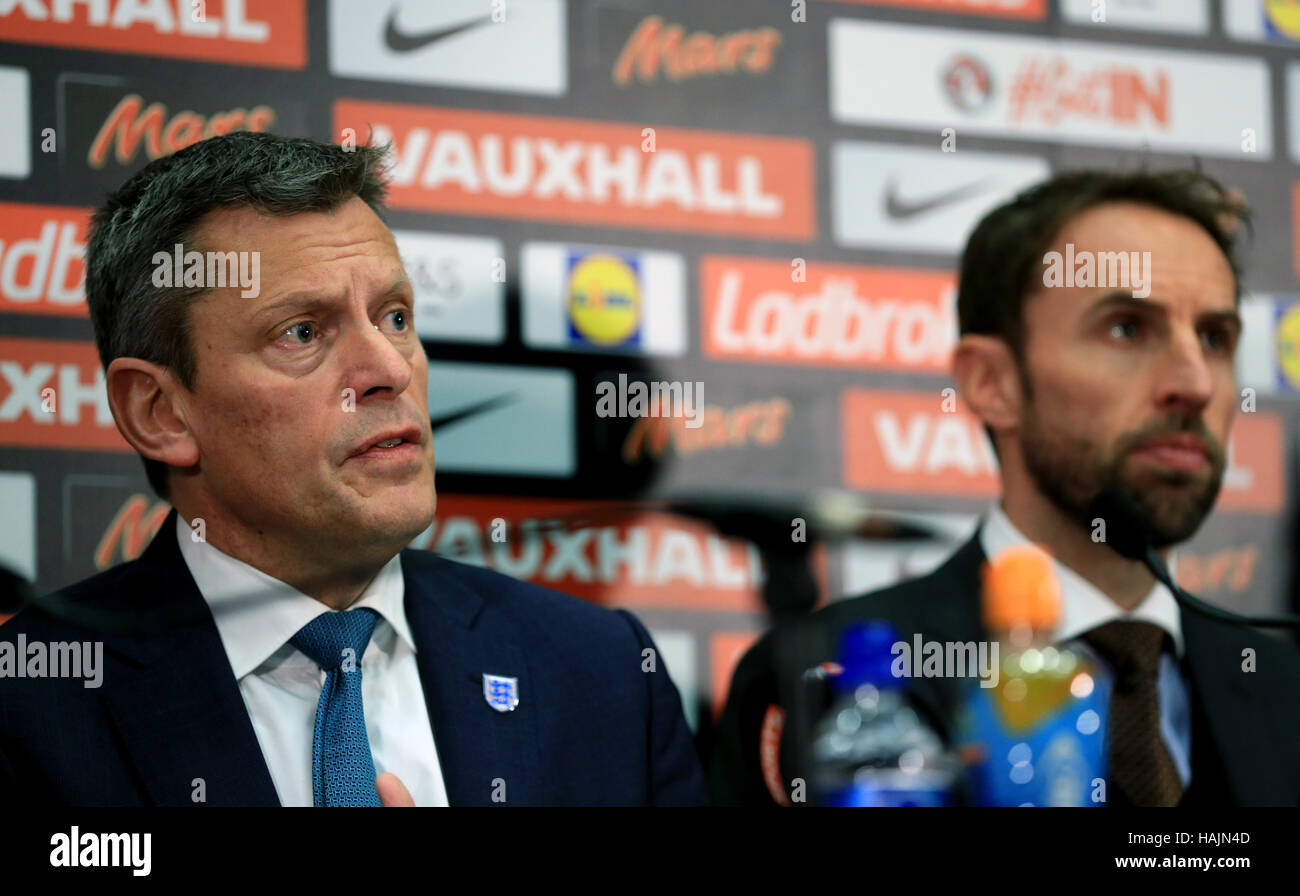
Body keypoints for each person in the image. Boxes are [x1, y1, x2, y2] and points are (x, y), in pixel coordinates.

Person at [0, 132, 707, 807]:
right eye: (302, 332)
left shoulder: (604, 675)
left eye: (394, 317)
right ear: (160, 412)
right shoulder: (31, 706)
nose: (389, 369)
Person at [711, 170, 1300, 807]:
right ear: (992, 382)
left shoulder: (1285, 683)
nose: (1196, 384)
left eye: (1215, 338)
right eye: (1127, 329)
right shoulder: (823, 685)